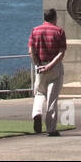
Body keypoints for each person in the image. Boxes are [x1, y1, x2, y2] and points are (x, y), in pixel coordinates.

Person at [29, 8, 66, 136]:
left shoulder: (35, 30)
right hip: (54, 67)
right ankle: (51, 128)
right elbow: (61, 52)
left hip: (40, 67)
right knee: (52, 98)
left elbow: (31, 51)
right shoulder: (59, 31)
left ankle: (36, 113)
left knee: (39, 93)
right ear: (54, 18)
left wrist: (39, 65)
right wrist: (50, 65)